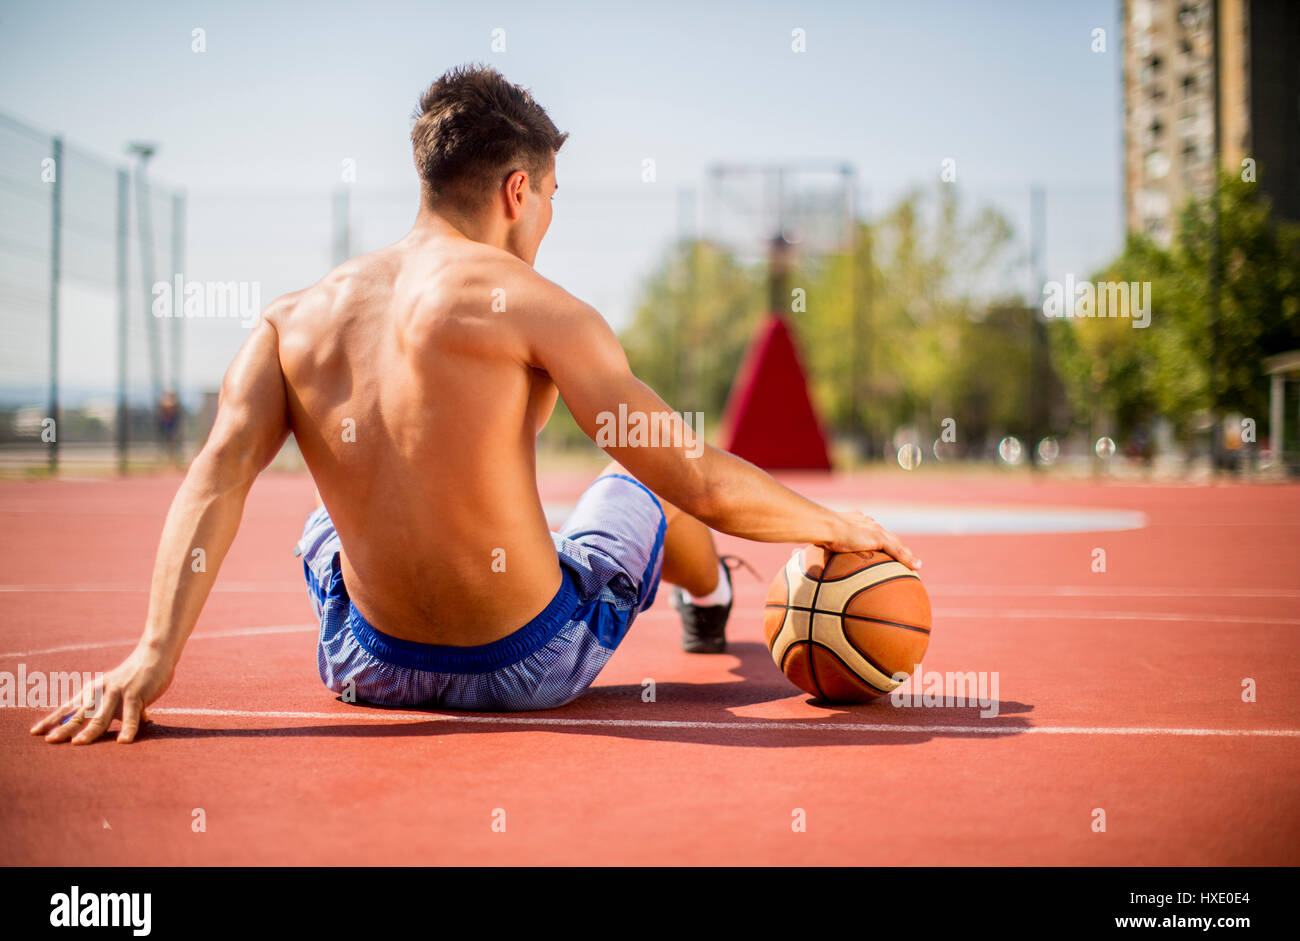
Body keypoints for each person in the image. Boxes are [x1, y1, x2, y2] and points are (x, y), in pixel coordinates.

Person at [32, 64, 919, 744]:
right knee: (640, 481)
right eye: (551, 201)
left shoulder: (292, 320)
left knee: (321, 524)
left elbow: (215, 483)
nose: (545, 225)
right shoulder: (541, 309)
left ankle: (697, 588)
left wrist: (152, 655)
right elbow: (696, 478)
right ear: (517, 191)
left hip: (367, 664)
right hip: (528, 663)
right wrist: (835, 525)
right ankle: (708, 590)